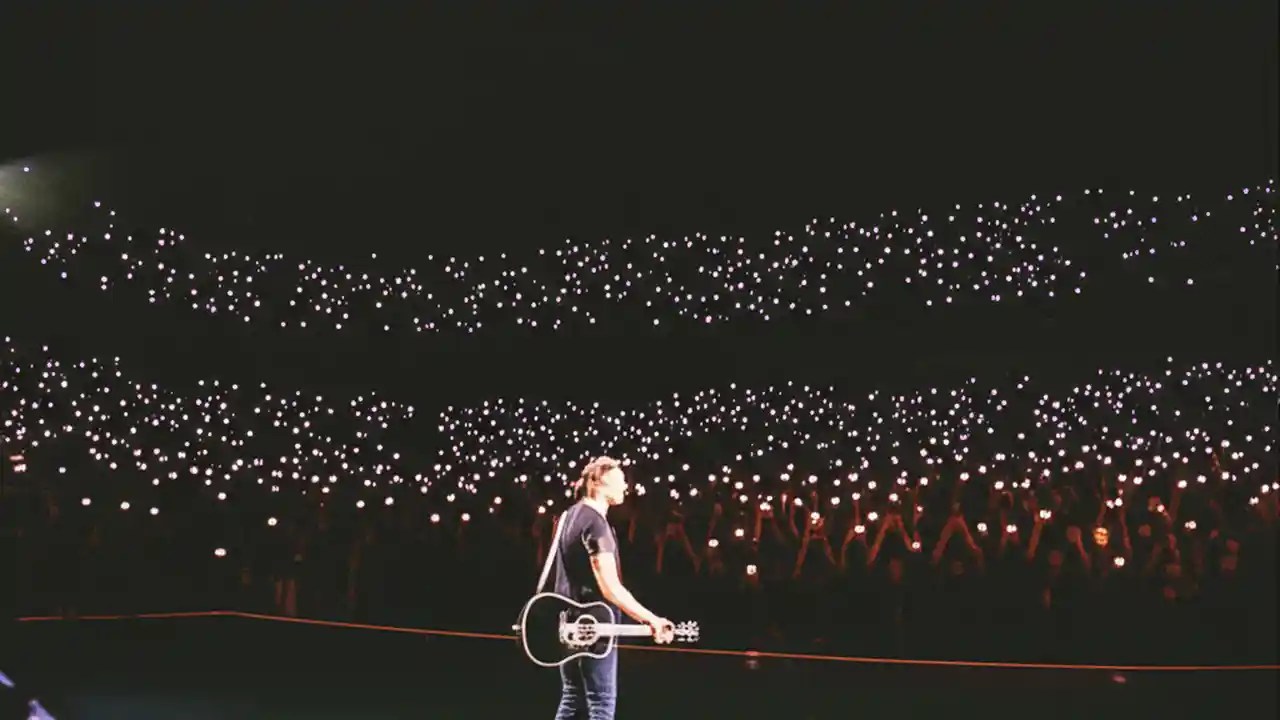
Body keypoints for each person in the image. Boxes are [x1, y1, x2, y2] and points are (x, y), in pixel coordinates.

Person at [552, 456, 675, 720]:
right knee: (601, 704)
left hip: (568, 620)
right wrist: (651, 619)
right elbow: (611, 588)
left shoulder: (568, 516)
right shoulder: (596, 523)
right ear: (598, 483)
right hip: (595, 624)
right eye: (619, 481)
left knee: (572, 698)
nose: (625, 487)